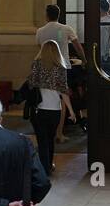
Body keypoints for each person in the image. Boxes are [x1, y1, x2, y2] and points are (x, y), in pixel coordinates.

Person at [26, 39, 75, 172]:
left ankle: (44, 167)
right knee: (50, 139)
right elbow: (64, 91)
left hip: (39, 109)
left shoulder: (36, 65)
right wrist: (71, 110)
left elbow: (30, 84)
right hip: (55, 109)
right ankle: (49, 164)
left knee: (42, 141)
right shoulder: (60, 68)